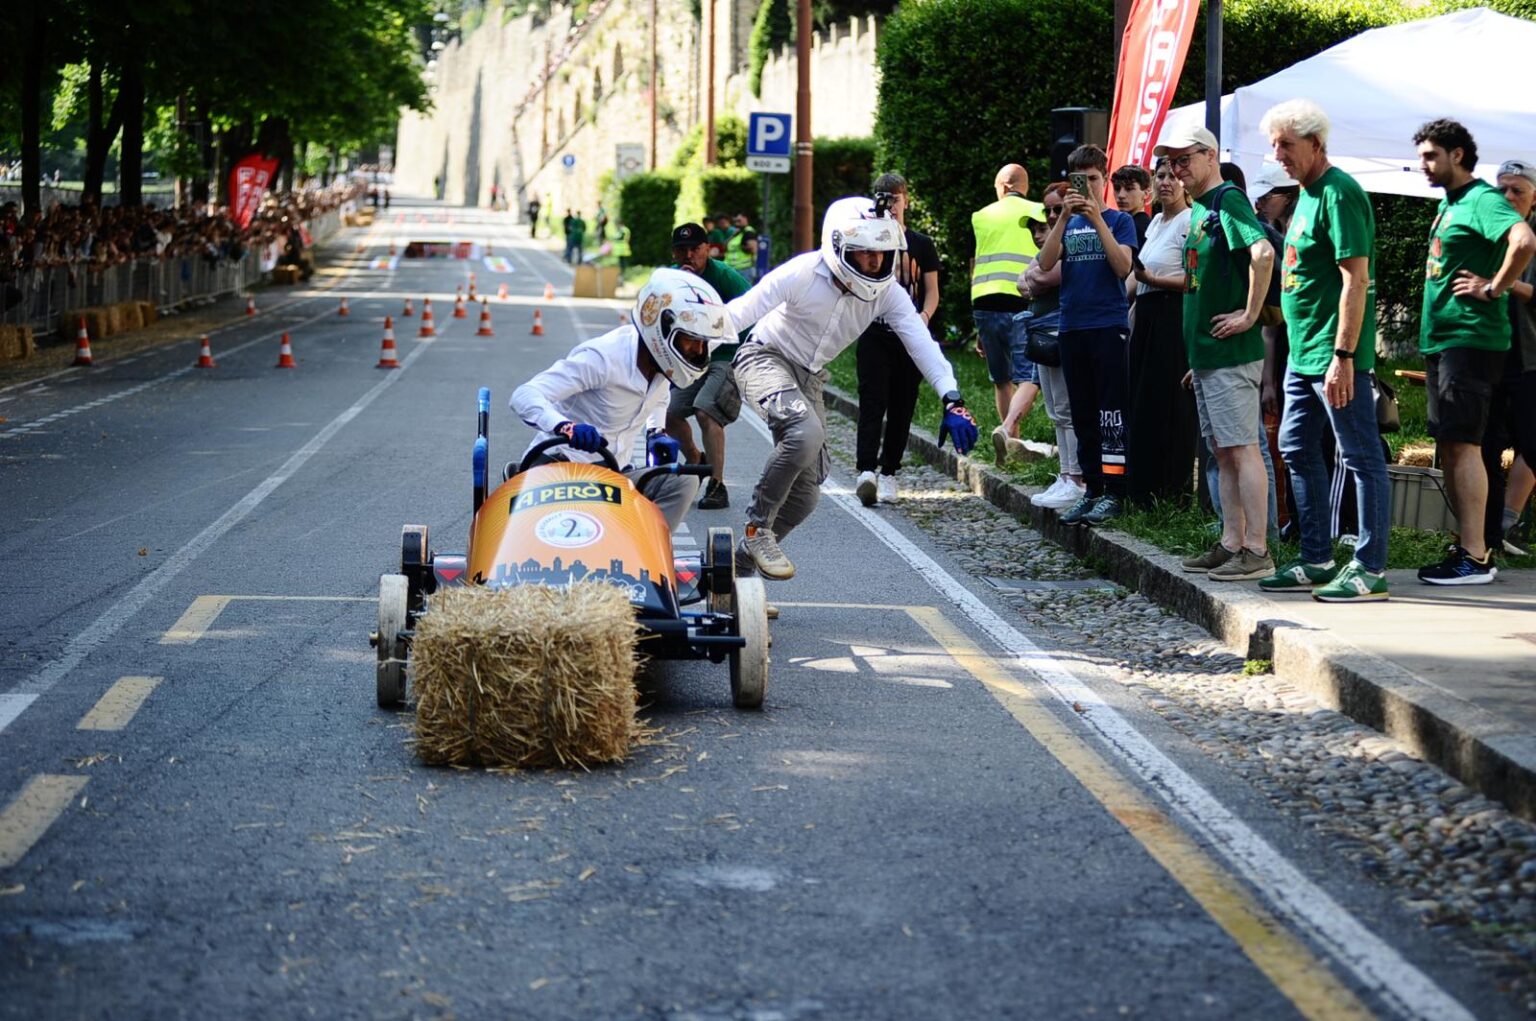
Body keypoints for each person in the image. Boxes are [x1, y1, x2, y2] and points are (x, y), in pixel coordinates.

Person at [725, 196, 979, 579]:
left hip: (810, 377)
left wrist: (952, 397)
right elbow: (739, 312)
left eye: (882, 252)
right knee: (804, 434)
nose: (875, 262)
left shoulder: (888, 292)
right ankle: (756, 528)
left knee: (805, 498)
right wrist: (685, 342)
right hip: (765, 357)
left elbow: (921, 342)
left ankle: (738, 568)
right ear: (839, 246)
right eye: (865, 252)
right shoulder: (804, 272)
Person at [1259, 98, 1391, 602]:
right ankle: (1316, 557)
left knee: (1359, 457)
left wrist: (1345, 356)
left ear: (1316, 144)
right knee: (1294, 446)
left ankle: (1370, 567)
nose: (1280, 156)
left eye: (1287, 146)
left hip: (1335, 355)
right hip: (1303, 352)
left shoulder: (1339, 193)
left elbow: (1356, 280)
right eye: (1275, 146)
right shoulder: (1307, 193)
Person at [509, 268, 735, 532]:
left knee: (684, 482)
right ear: (659, 329)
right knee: (571, 535)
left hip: (613, 476)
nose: (698, 351)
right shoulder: (603, 358)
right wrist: (565, 427)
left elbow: (658, 398)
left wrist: (656, 431)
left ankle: (647, 555)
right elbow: (524, 395)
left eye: (702, 343)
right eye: (690, 340)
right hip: (560, 468)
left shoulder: (663, 365)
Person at [1414, 118, 1536, 584]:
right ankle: (1469, 546)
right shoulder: (1453, 203)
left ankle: (1475, 555)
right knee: (1452, 445)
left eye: (1430, 156)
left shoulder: (1484, 199)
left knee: (1465, 445)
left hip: (1470, 340)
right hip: (1446, 341)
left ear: (1457, 155)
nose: (1423, 165)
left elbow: (1523, 240)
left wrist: (1494, 289)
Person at [1158, 125, 1275, 581]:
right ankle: (1232, 542)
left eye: (1185, 159)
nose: (1178, 169)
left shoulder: (1228, 200)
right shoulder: (1206, 208)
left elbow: (1261, 253)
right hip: (1208, 357)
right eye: (1173, 162)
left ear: (1211, 156)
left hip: (1229, 355)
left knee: (1242, 449)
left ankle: (1258, 549)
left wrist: (1249, 315)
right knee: (1222, 451)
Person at [1035, 144, 1139, 526]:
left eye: (1094, 179)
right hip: (1072, 326)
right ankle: (1091, 488)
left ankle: (1115, 491)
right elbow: (1045, 263)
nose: (1089, 187)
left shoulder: (1118, 220)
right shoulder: (1067, 221)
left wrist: (1097, 219)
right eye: (1081, 181)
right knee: (1082, 413)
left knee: (1111, 412)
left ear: (1104, 179)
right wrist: (1062, 219)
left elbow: (1122, 266)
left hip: (1107, 325)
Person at [854, 173, 942, 505]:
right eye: (883, 198)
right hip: (875, 332)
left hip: (911, 336)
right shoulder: (868, 240)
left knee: (903, 405)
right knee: (872, 401)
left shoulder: (921, 244)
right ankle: (866, 471)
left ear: (906, 200)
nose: (890, 204)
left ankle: (890, 471)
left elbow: (932, 292)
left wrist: (922, 318)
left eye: (895, 198)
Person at [665, 223, 752, 510]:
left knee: (705, 410)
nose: (689, 255)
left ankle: (717, 485)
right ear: (674, 253)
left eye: (695, 249)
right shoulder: (669, 278)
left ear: (707, 249)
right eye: (682, 250)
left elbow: (755, 309)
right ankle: (696, 460)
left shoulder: (725, 277)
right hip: (691, 358)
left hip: (727, 353)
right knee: (670, 414)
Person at [1126, 157, 1197, 508]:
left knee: (1171, 402)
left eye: (1172, 176)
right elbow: (1136, 274)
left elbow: (1195, 279)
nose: (1166, 182)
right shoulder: (1155, 221)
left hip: (1174, 312)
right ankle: (1144, 486)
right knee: (1143, 398)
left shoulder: (1191, 221)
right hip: (1147, 311)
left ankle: (1172, 491)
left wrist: (1152, 281)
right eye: (1160, 176)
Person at [969, 164, 1046, 464]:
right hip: (1023, 298)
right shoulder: (1040, 211)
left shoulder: (981, 215)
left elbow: (975, 263)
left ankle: (1010, 441)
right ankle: (1008, 432)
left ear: (1001, 185)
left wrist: (976, 324)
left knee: (1001, 378)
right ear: (1024, 186)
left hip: (985, 302)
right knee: (1029, 373)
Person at [1482, 160, 1536, 558]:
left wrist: (1501, 285)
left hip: (1530, 361)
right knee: (1484, 447)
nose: (1508, 197)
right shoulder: (1485, 234)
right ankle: (1484, 539)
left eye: (1517, 190)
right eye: (1502, 189)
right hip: (1488, 359)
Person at [1020, 183, 1086, 509]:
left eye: (1057, 209)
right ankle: (1065, 474)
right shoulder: (1057, 237)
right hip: (1044, 330)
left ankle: (1076, 478)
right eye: (1047, 210)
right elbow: (1023, 280)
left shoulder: (1075, 235)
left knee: (1067, 407)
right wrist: (1033, 277)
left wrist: (1033, 277)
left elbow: (1042, 277)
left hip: (1064, 327)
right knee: (1056, 409)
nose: (1051, 216)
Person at [1112, 164, 1153, 248]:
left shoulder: (1141, 227)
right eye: (1117, 188)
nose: (1121, 195)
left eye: (1129, 189)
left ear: (1146, 193)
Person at [725, 211, 758, 281]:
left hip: (743, 270)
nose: (737, 223)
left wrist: (742, 247)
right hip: (734, 269)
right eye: (735, 221)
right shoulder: (738, 233)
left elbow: (753, 249)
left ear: (745, 219)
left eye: (739, 220)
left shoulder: (749, 232)